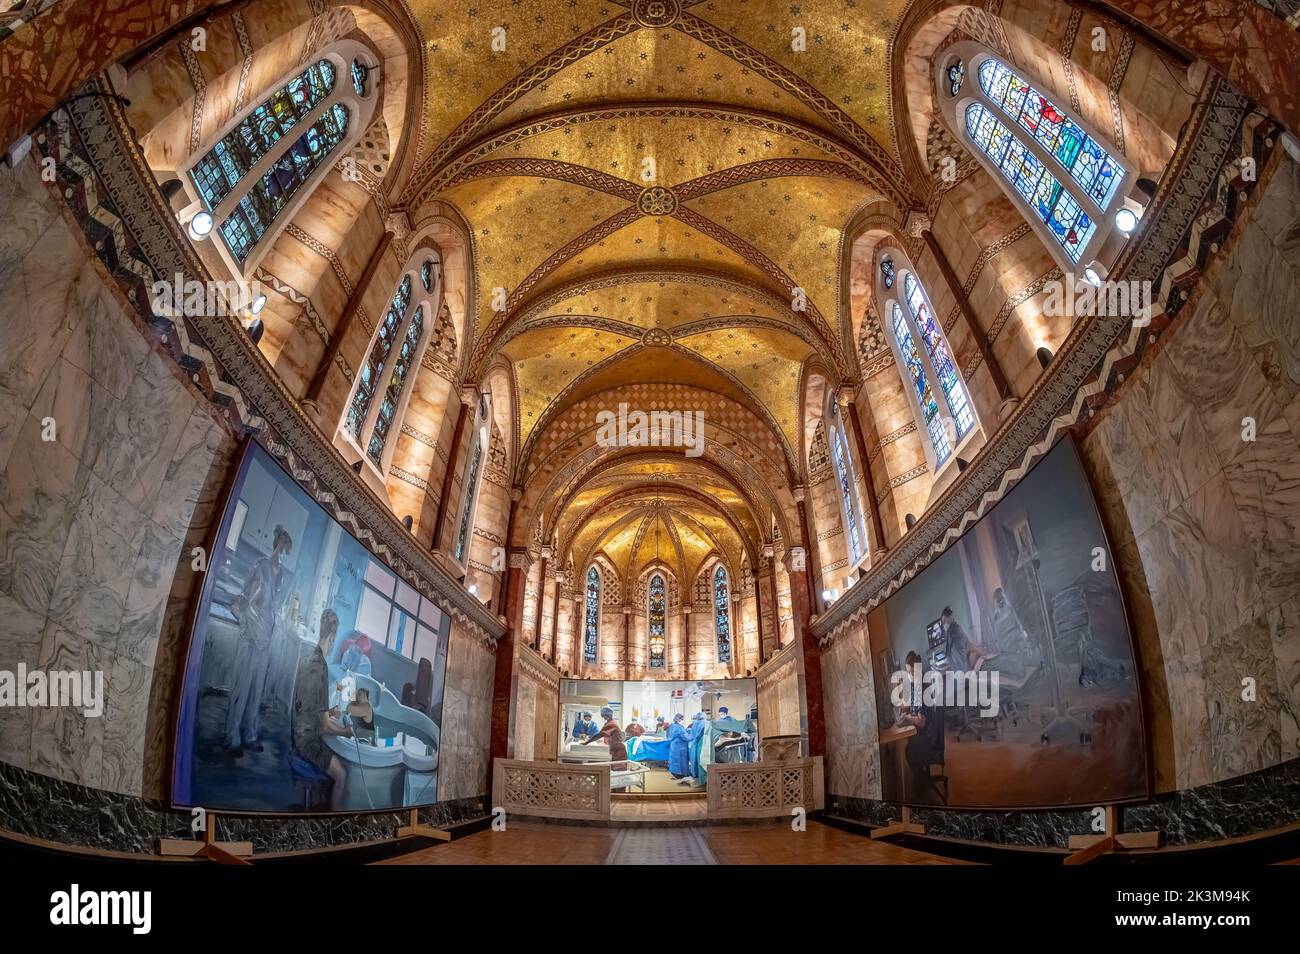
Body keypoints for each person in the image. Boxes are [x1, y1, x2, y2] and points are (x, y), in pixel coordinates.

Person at [225, 524, 292, 755]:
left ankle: (250, 735)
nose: (282, 550)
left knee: (256, 690)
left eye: (285, 546)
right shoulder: (260, 566)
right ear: (277, 543)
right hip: (251, 636)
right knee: (242, 687)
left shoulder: (281, 574)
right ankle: (232, 737)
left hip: (265, 637)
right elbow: (244, 600)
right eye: (282, 544)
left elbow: (275, 606)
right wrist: (247, 628)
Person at [291, 609, 354, 810]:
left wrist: (334, 718)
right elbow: (326, 725)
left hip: (297, 731)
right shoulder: (322, 667)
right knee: (342, 774)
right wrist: (346, 732)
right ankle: (331, 826)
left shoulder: (308, 657)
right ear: (332, 637)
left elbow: (320, 714)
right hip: (307, 741)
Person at [895, 651, 945, 803]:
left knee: (909, 751)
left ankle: (921, 780)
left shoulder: (920, 686)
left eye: (908, 672)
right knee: (910, 744)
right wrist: (905, 708)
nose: (908, 675)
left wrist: (907, 717)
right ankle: (921, 777)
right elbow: (913, 704)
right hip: (930, 732)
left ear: (913, 669)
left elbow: (921, 722)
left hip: (929, 736)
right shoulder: (918, 681)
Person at [940, 606, 994, 671]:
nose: (952, 618)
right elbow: (968, 646)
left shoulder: (952, 632)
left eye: (951, 615)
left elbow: (967, 645)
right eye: (949, 616)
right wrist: (982, 653)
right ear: (945, 618)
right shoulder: (953, 631)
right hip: (964, 670)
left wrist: (982, 652)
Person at [667, 713, 690, 779]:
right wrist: (692, 737)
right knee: (681, 760)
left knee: (674, 760)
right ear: (678, 719)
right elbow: (685, 737)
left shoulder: (672, 725)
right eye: (681, 719)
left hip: (674, 745)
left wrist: (687, 730)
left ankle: (675, 773)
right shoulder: (679, 727)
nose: (682, 720)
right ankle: (680, 774)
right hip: (680, 746)